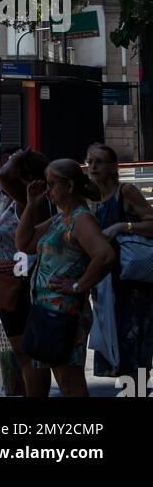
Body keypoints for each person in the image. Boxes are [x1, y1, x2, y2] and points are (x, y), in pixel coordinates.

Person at [16, 159, 116, 397]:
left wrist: (78, 285)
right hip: (47, 312)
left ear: (69, 186)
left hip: (65, 315)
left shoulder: (81, 219)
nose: (48, 191)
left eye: (52, 184)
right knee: (59, 377)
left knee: (70, 382)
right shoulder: (62, 218)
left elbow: (104, 255)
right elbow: (24, 243)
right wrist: (31, 205)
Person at [0, 148, 51, 397]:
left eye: (15, 166)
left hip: (19, 283)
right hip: (10, 282)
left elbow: (5, 177)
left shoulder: (33, 200)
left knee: (28, 353)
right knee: (24, 353)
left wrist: (22, 153)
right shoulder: (30, 200)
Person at [86, 142, 153, 382]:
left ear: (113, 167)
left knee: (134, 354)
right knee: (118, 356)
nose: (93, 166)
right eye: (90, 160)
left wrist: (123, 226)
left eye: (99, 162)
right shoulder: (92, 198)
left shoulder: (125, 192)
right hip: (106, 286)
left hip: (132, 287)